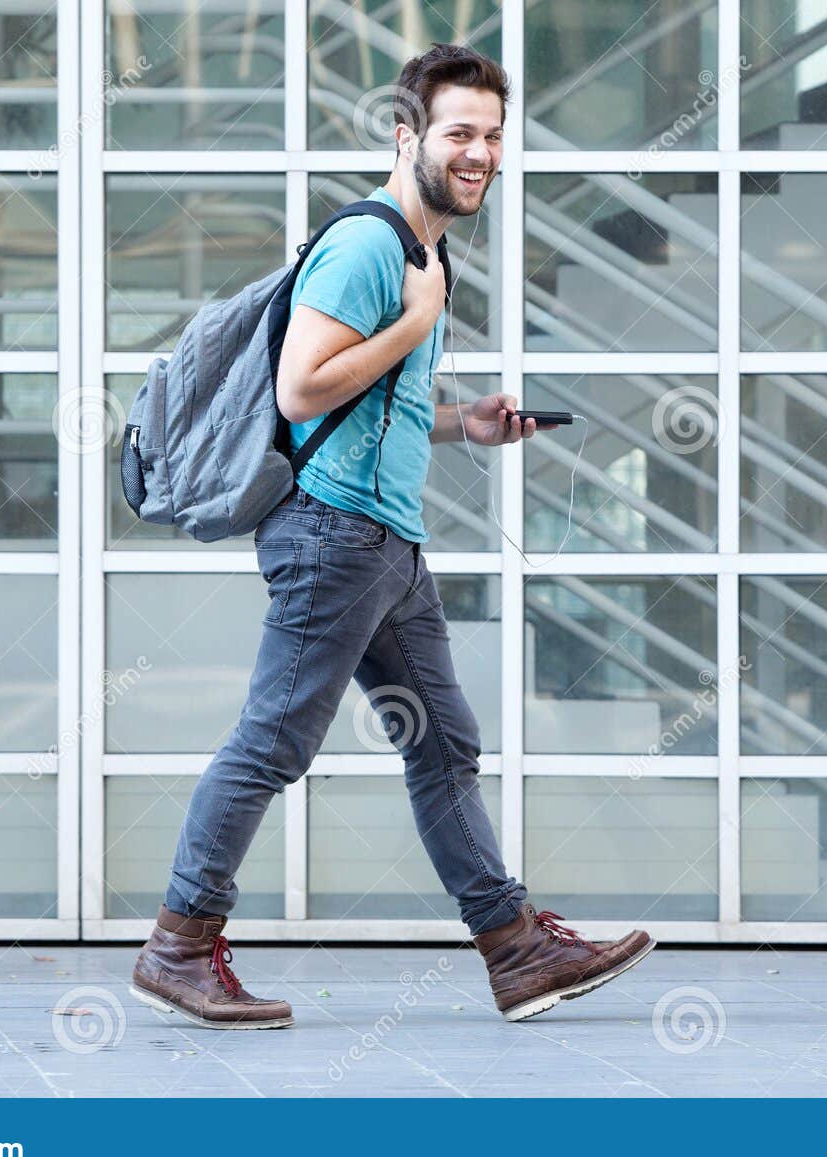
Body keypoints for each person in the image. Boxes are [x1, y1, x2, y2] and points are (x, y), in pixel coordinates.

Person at [131, 43, 654, 1029]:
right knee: (274, 741)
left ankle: (514, 951)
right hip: (333, 537)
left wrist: (467, 423)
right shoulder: (373, 248)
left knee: (443, 743)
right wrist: (418, 323)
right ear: (408, 136)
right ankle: (179, 944)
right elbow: (300, 387)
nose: (481, 154)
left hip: (383, 543)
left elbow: (365, 398)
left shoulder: (425, 255)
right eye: (461, 133)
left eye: (494, 137)